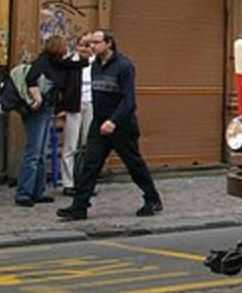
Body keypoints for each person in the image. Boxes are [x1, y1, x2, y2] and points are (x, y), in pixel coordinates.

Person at [58, 29, 163, 221]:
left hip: (121, 125)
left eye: (96, 43)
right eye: (90, 44)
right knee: (90, 164)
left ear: (109, 44)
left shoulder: (124, 66)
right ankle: (79, 207)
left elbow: (129, 100)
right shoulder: (95, 65)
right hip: (99, 124)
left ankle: (152, 199)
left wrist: (113, 121)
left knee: (134, 164)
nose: (92, 47)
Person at [13, 34, 75, 206]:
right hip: (38, 110)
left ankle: (37, 191)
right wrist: (38, 98)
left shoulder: (55, 63)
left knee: (40, 152)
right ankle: (24, 193)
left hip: (47, 110)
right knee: (34, 152)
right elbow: (30, 77)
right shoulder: (44, 61)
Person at [58, 34, 95, 194]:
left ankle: (85, 182)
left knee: (88, 144)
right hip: (74, 105)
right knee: (70, 145)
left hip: (92, 104)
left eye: (88, 45)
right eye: (82, 45)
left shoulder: (97, 63)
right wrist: (62, 107)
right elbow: (62, 86)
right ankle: (68, 183)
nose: (85, 48)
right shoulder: (69, 63)